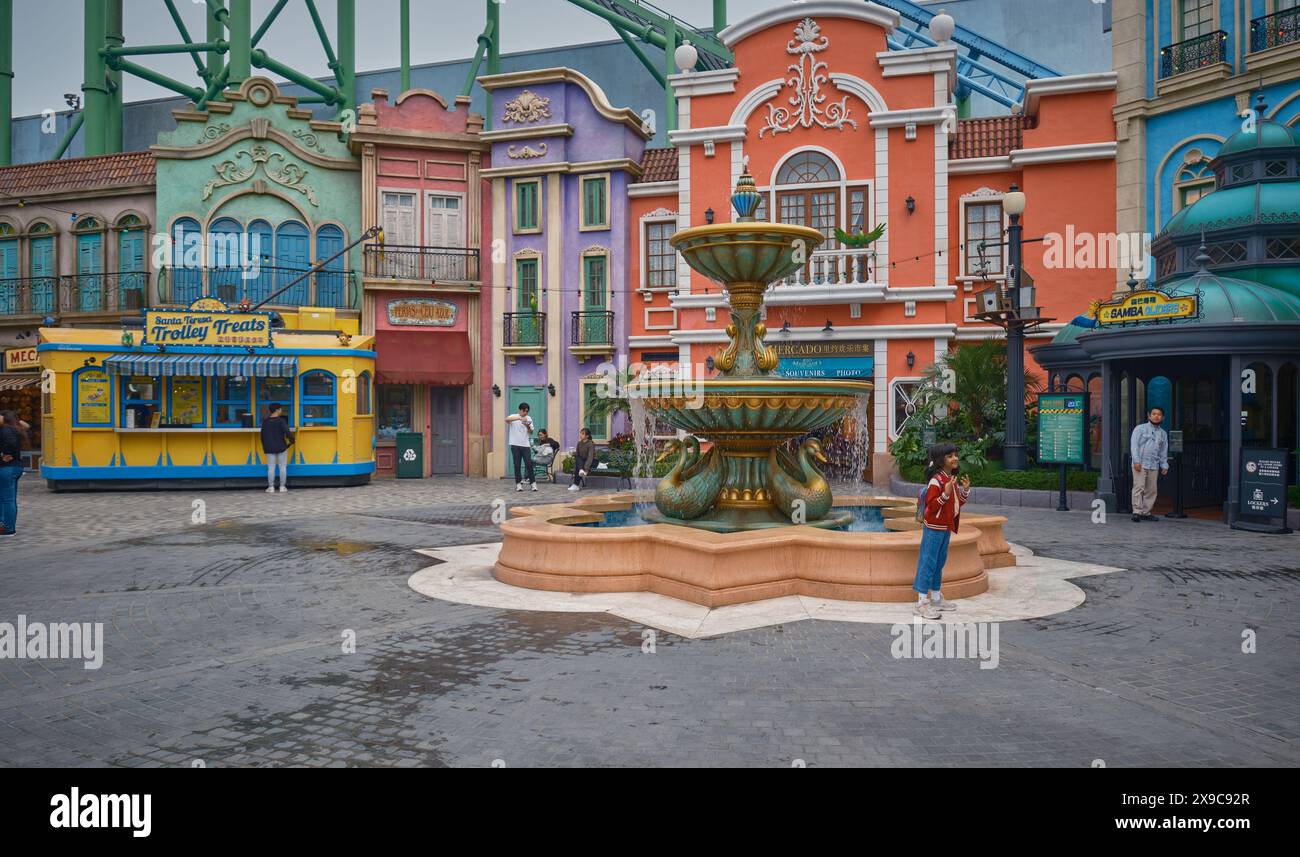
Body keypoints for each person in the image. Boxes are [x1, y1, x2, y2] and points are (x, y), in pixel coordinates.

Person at [912, 442, 971, 620]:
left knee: (939, 562)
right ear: (940, 460)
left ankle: (936, 598)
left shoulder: (949, 478)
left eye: (955, 455)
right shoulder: (936, 481)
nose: (955, 458)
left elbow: (955, 504)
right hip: (934, 528)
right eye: (950, 456)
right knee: (928, 562)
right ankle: (921, 602)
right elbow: (931, 507)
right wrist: (944, 494)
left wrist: (965, 491)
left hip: (945, 527)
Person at [1129, 406, 1169, 522]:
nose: (1156, 416)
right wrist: (1136, 461)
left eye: (1159, 414)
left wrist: (1164, 465)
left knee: (1151, 490)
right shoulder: (1140, 429)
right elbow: (1134, 446)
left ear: (1163, 417)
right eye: (1154, 414)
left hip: (1154, 465)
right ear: (1149, 415)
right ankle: (1137, 512)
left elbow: (1163, 451)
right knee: (1139, 487)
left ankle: (1146, 512)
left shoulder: (1163, 434)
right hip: (1140, 464)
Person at [0, 409, 29, 538]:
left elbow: (10, 445)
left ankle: (8, 528)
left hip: (7, 468)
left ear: (5, 418)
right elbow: (26, 425)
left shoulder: (7, 430)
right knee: (6, 498)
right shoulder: (15, 429)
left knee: (7, 499)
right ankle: (5, 525)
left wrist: (4, 455)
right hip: (14, 468)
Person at [260, 403, 294, 493]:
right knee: (282, 467)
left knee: (271, 468)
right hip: (281, 447)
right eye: (280, 409)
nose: (281, 411)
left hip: (269, 447)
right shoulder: (281, 421)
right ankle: (282, 487)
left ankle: (271, 487)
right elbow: (287, 431)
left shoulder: (265, 421)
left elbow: (262, 436)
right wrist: (292, 440)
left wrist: (264, 446)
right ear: (277, 410)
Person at [506, 403, 536, 491]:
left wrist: (527, 425)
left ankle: (533, 484)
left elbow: (531, 432)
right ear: (520, 410)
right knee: (517, 465)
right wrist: (519, 418)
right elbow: (506, 419)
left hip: (525, 445)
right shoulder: (513, 416)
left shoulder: (529, 418)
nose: (525, 413)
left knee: (528, 464)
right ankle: (518, 484)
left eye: (527, 411)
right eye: (524, 411)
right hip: (515, 445)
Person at [570, 427, 596, 492]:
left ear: (587, 436)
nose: (580, 435)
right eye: (580, 433)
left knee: (579, 465)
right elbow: (578, 454)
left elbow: (590, 457)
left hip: (592, 462)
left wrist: (586, 469)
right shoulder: (579, 443)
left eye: (582, 434)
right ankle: (581, 470)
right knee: (578, 458)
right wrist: (572, 453)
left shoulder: (590, 444)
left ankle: (576, 485)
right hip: (583, 462)